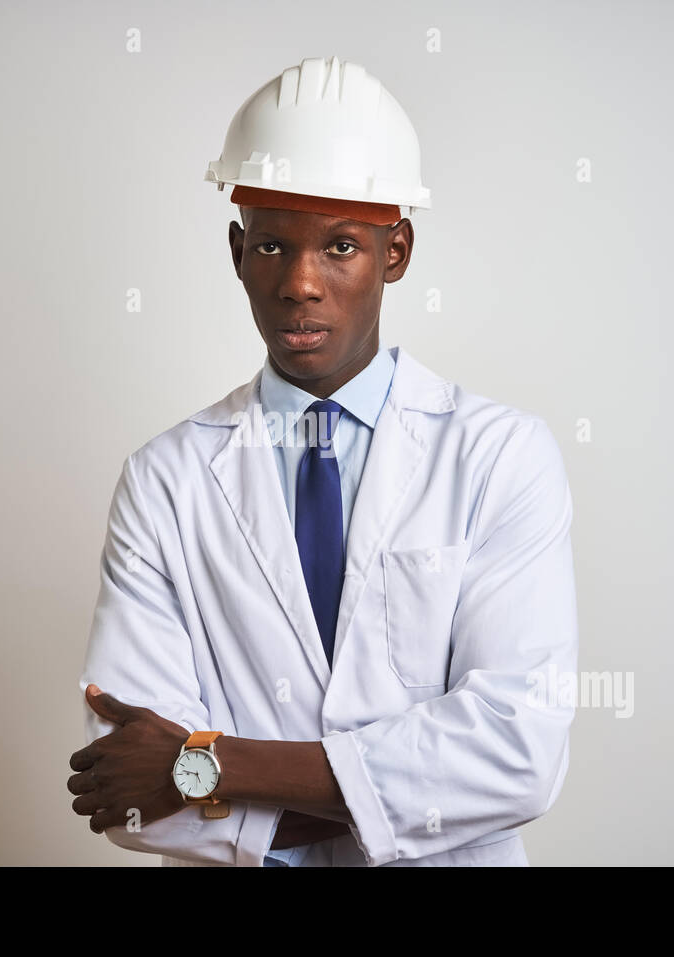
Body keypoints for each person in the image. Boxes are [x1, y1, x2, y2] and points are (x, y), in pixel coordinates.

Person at [68, 56, 578, 866]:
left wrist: (210, 766)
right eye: (272, 244)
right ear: (237, 252)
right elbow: (128, 788)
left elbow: (518, 754)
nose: (300, 282)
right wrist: (398, 796)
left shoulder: (500, 455)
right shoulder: (163, 481)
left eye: (341, 245)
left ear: (396, 250)